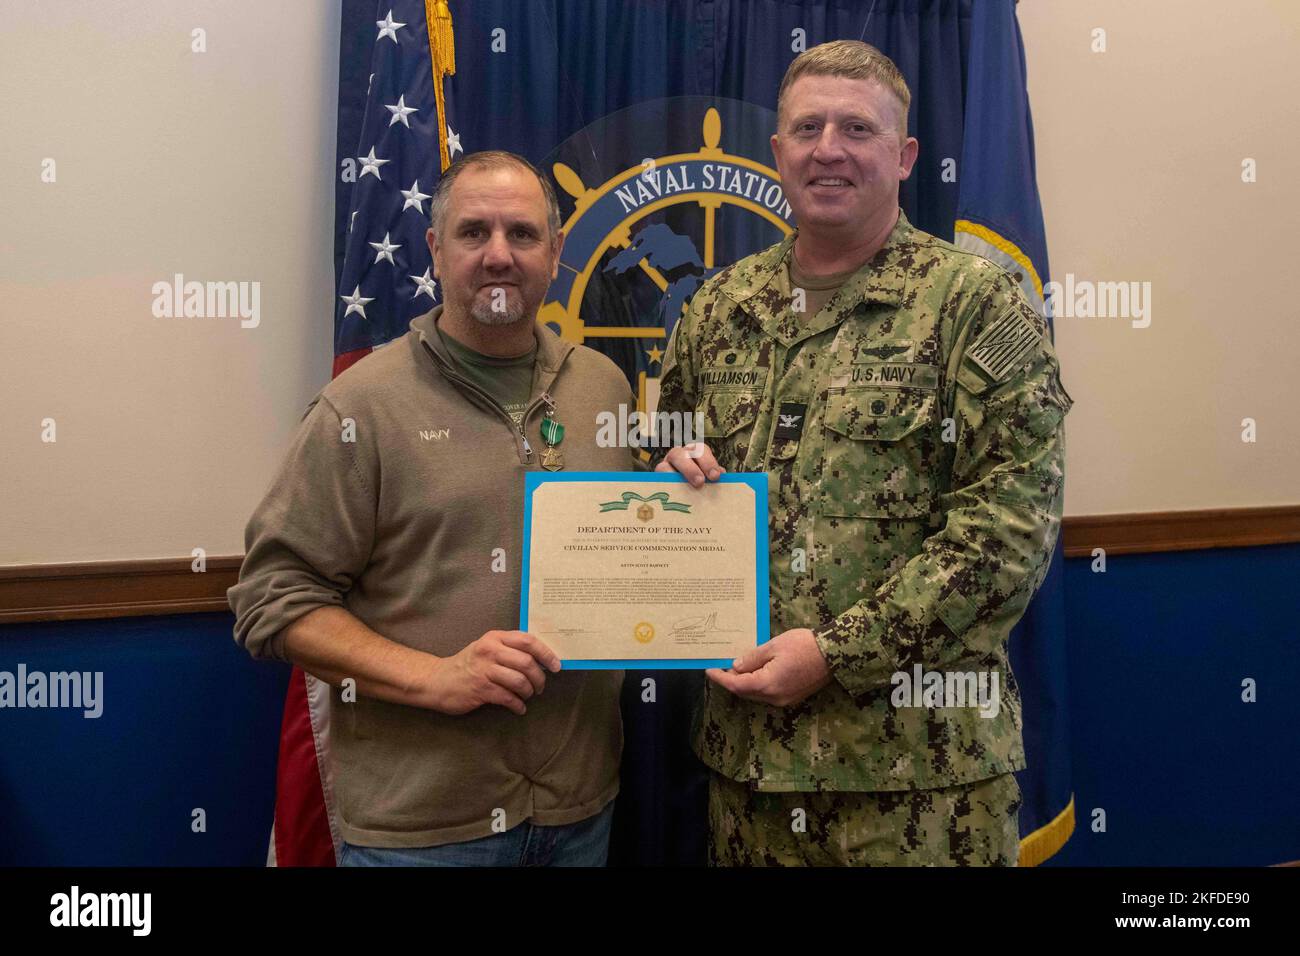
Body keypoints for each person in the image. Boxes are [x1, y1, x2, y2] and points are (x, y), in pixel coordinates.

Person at [655, 40, 1072, 866]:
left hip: (919, 788)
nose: (829, 149)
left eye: (858, 128)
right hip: (748, 779)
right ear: (778, 153)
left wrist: (838, 654)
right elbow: (663, 458)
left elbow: (1008, 536)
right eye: (807, 128)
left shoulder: (974, 305)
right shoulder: (717, 309)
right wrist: (667, 485)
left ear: (905, 154)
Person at [228, 150, 638, 866]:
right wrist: (435, 677)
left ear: (557, 252)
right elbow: (271, 600)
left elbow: (629, 549)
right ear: (435, 250)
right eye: (474, 233)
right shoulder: (362, 405)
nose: (499, 255)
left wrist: (686, 488)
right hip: (420, 832)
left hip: (580, 813)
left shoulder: (602, 388)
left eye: (523, 234)